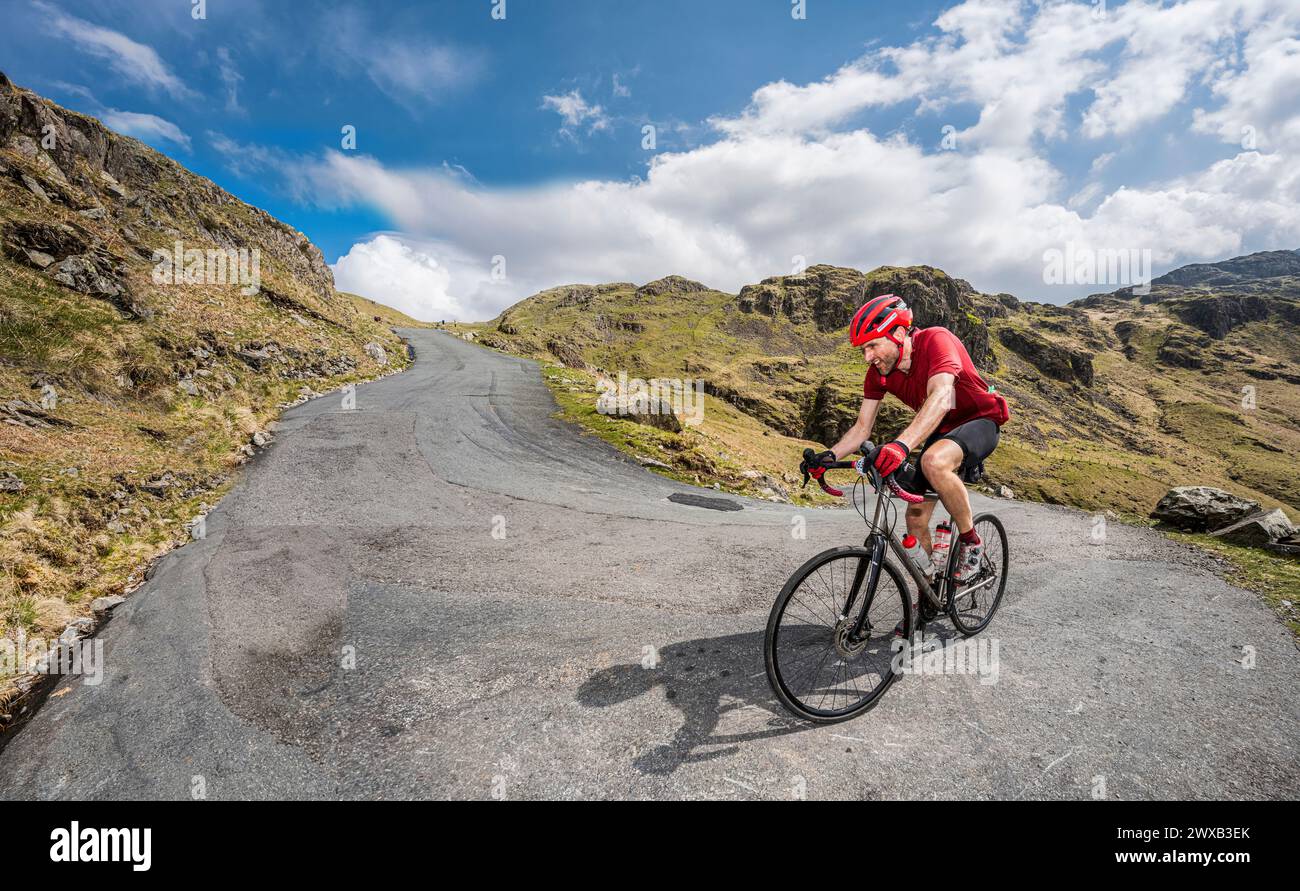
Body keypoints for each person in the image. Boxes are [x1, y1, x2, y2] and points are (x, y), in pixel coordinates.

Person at [804, 294, 1010, 585]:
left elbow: (941, 396)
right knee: (914, 520)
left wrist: (900, 446)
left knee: (933, 462)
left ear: (899, 333)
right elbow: (862, 428)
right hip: (940, 428)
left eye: (873, 345)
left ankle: (971, 542)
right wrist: (829, 456)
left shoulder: (937, 340)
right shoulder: (878, 374)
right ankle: (931, 589)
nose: (868, 357)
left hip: (980, 419)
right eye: (864, 349)